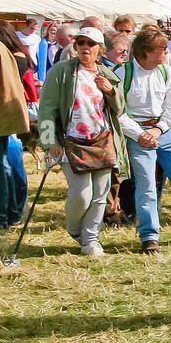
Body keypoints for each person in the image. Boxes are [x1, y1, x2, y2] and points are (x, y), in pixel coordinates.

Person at [37, 27, 129, 258]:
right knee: (81, 194)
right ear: (75, 46)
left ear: (100, 49)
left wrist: (110, 92)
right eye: (81, 43)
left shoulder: (107, 74)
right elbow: (47, 108)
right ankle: (75, 229)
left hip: (103, 140)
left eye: (91, 44)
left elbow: (120, 109)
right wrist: (50, 141)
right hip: (72, 142)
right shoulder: (62, 71)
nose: (85, 48)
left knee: (100, 196)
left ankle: (90, 240)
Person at [118, 27, 171, 253]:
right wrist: (139, 134)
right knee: (145, 185)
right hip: (136, 134)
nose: (167, 51)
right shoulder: (122, 73)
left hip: (164, 132)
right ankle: (149, 236)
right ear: (146, 52)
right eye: (162, 48)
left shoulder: (167, 72)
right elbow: (118, 111)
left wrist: (158, 130)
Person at [0, 35, 30, 229]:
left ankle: (4, 217)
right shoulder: (2, 47)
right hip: (4, 115)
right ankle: (10, 214)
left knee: (2, 166)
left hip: (3, 114)